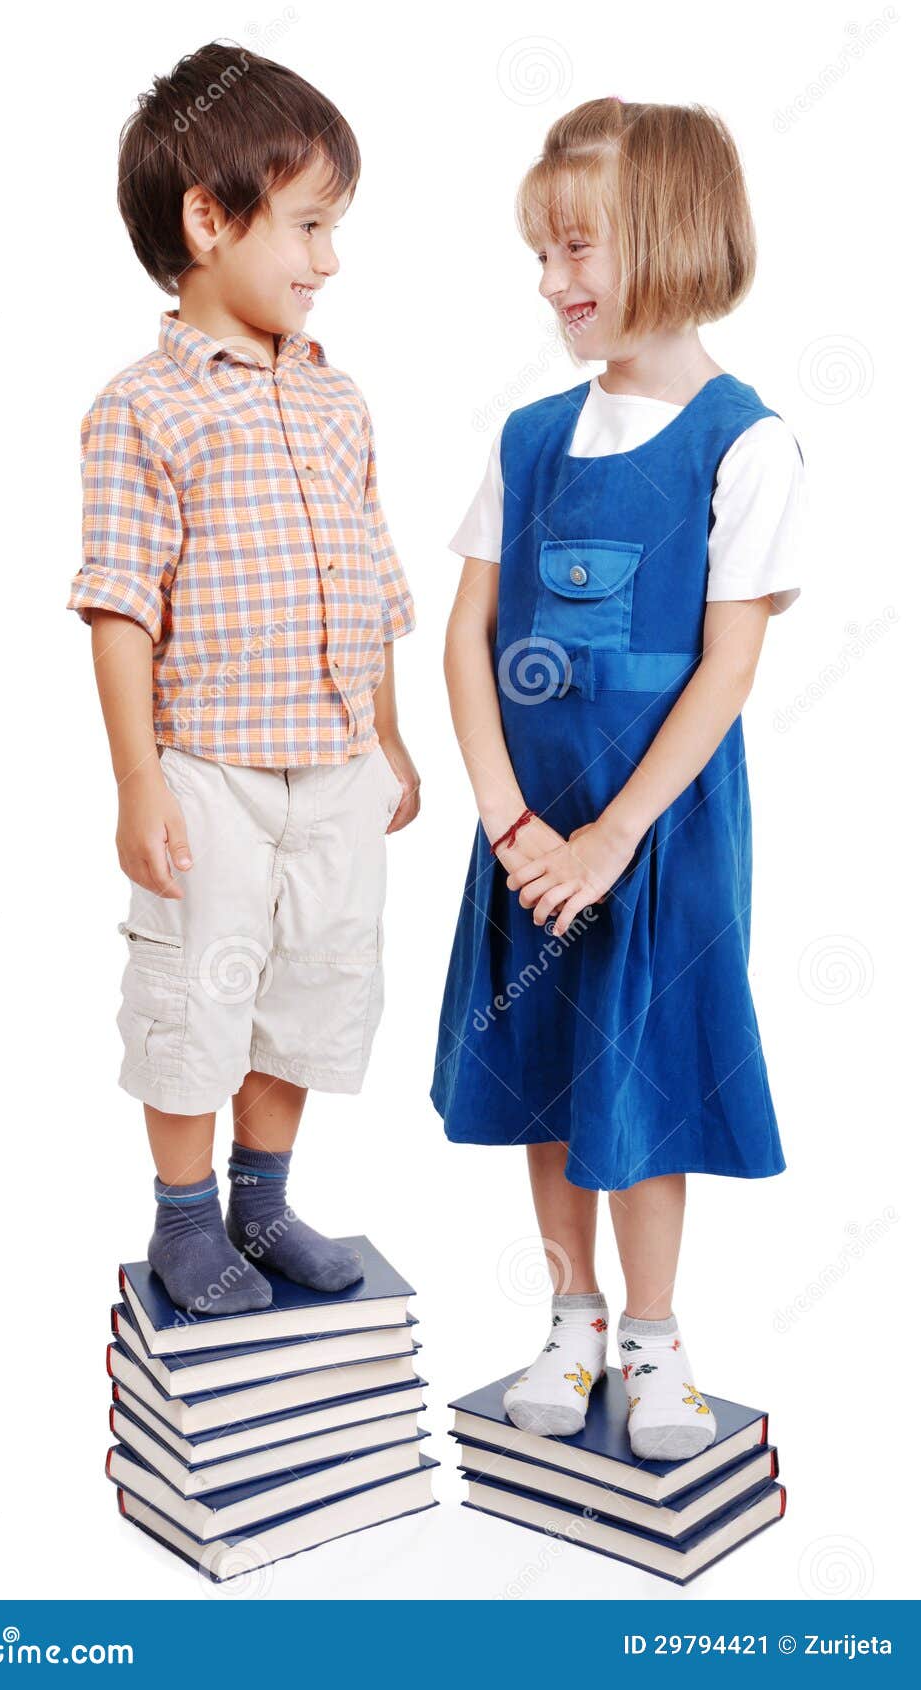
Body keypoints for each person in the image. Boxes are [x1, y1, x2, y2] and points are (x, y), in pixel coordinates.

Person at [432, 98, 804, 1458]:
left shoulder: (744, 442)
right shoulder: (525, 437)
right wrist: (511, 822)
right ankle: (568, 1313)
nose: (551, 283)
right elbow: (465, 639)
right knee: (543, 1065)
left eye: (575, 249)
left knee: (633, 1074)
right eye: (540, 256)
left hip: (655, 832)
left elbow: (723, 670)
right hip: (529, 824)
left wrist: (608, 837)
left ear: (669, 236)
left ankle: (651, 1334)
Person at [67, 44, 418, 1316]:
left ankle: (263, 1203)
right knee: (197, 987)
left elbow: (374, 587)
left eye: (337, 229)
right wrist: (138, 783)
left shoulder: (339, 403)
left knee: (313, 982)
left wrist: (390, 739)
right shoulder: (142, 410)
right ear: (207, 221)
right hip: (209, 766)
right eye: (310, 226)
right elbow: (118, 609)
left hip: (334, 764)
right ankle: (183, 1216)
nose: (329, 260)